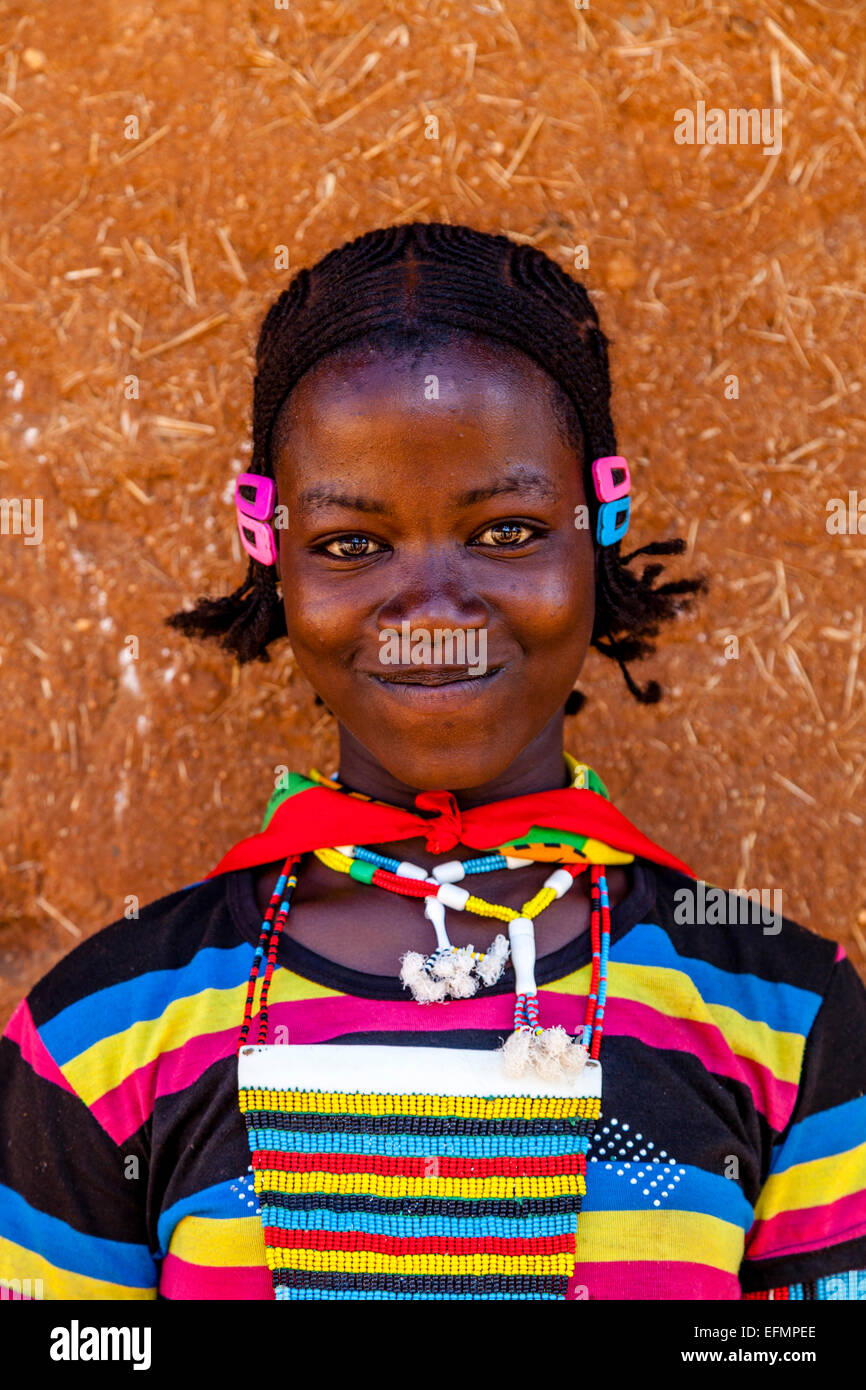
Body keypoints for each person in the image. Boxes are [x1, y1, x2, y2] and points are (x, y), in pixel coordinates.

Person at [1, 221, 865, 1302]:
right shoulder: (106, 1036)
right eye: (352, 545)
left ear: (601, 518)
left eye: (505, 531)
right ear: (268, 548)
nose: (433, 613)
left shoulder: (779, 1023)